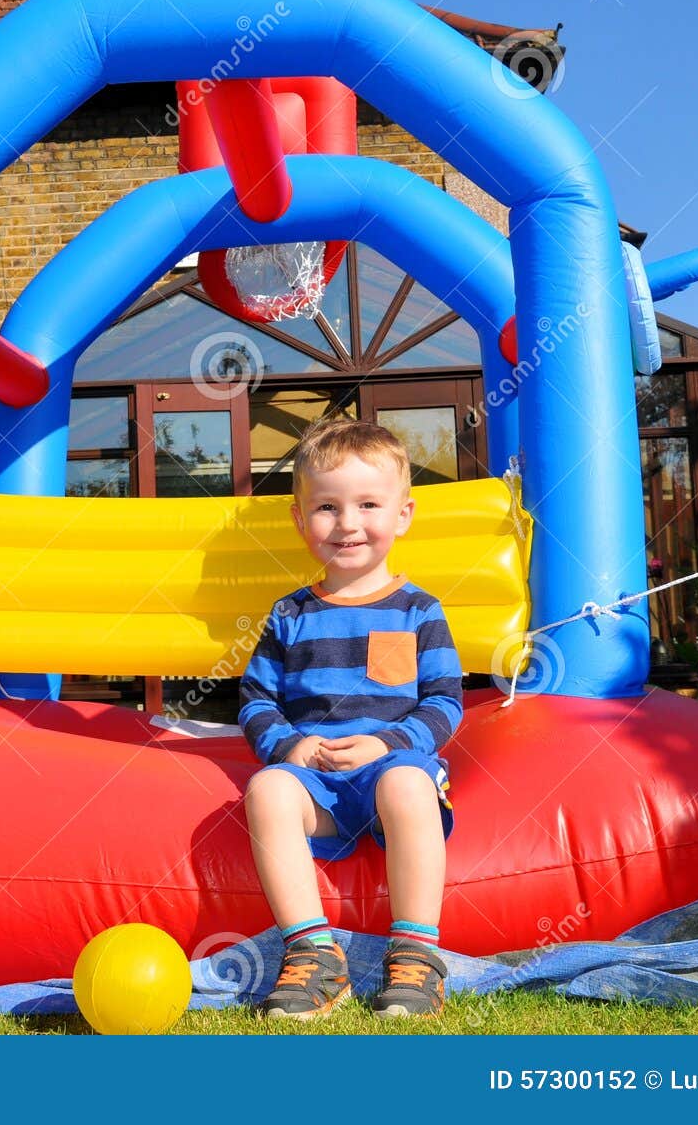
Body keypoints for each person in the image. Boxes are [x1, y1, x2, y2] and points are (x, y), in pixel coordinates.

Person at [239, 418, 462, 1019]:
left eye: (368, 504)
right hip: (318, 784)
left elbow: (445, 701)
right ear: (298, 519)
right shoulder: (291, 614)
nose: (348, 524)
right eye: (327, 507)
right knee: (266, 790)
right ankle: (314, 955)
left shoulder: (419, 610)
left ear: (403, 514)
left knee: (408, 782)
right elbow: (256, 700)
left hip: (390, 775)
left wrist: (388, 744)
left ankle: (417, 956)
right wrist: (292, 748)